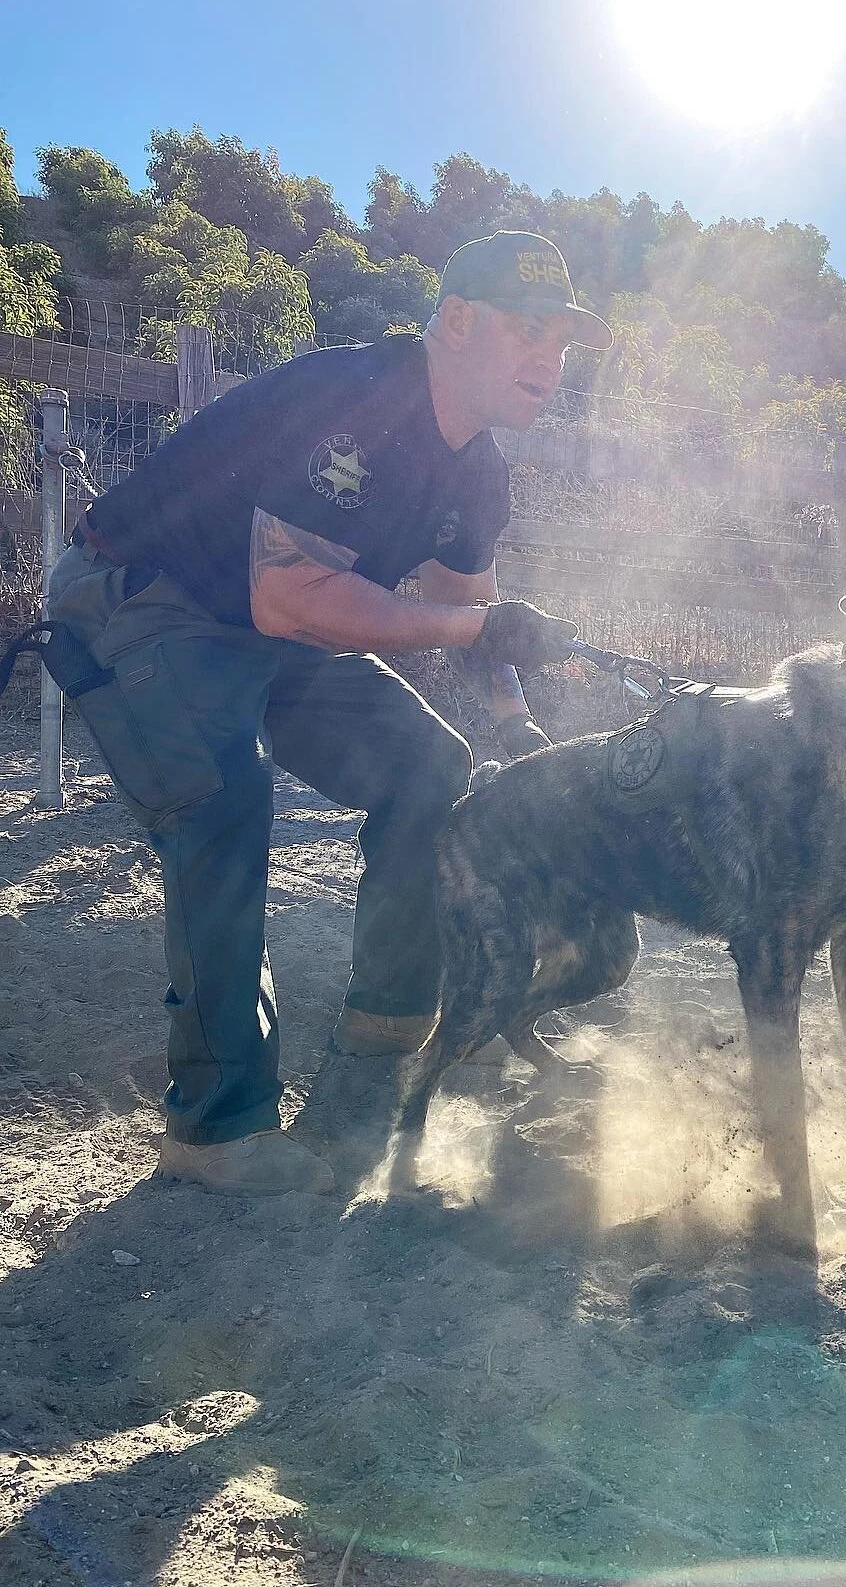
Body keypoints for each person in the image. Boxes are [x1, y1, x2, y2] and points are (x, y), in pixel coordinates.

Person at [47, 231, 610, 1197]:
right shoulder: (356, 402)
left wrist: (515, 717)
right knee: (225, 806)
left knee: (428, 765)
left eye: (562, 342)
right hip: (149, 601)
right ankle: (215, 1129)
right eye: (528, 332)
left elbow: (466, 599)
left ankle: (391, 1019)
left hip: (271, 621)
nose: (548, 360)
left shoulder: (477, 467)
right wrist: (479, 631)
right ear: (456, 322)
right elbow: (297, 600)